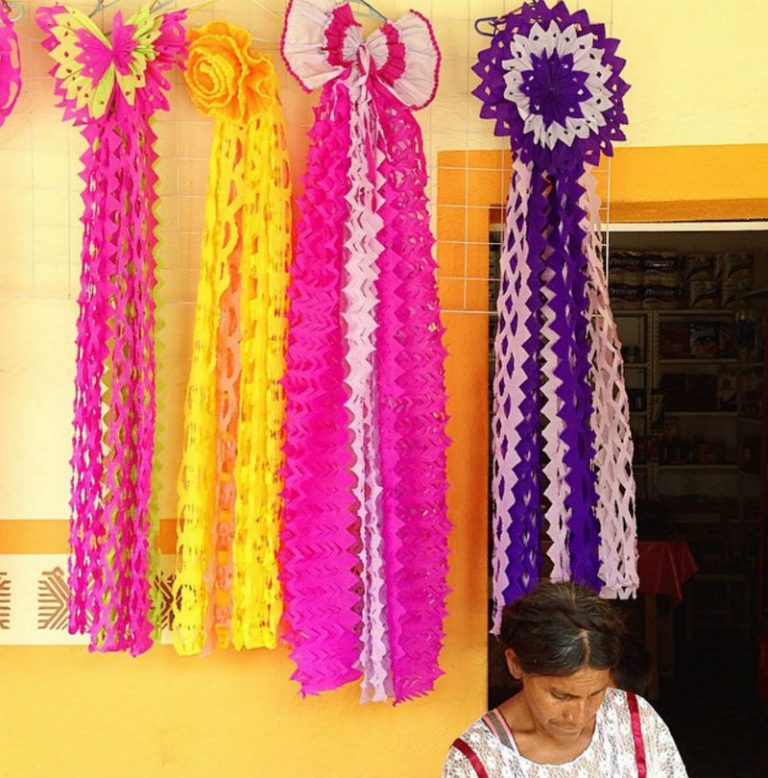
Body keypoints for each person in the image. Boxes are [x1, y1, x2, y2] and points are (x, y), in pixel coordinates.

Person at [442, 582, 688, 777]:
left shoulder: (634, 720)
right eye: (561, 695)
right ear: (516, 664)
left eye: (595, 694)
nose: (579, 716)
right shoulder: (476, 762)